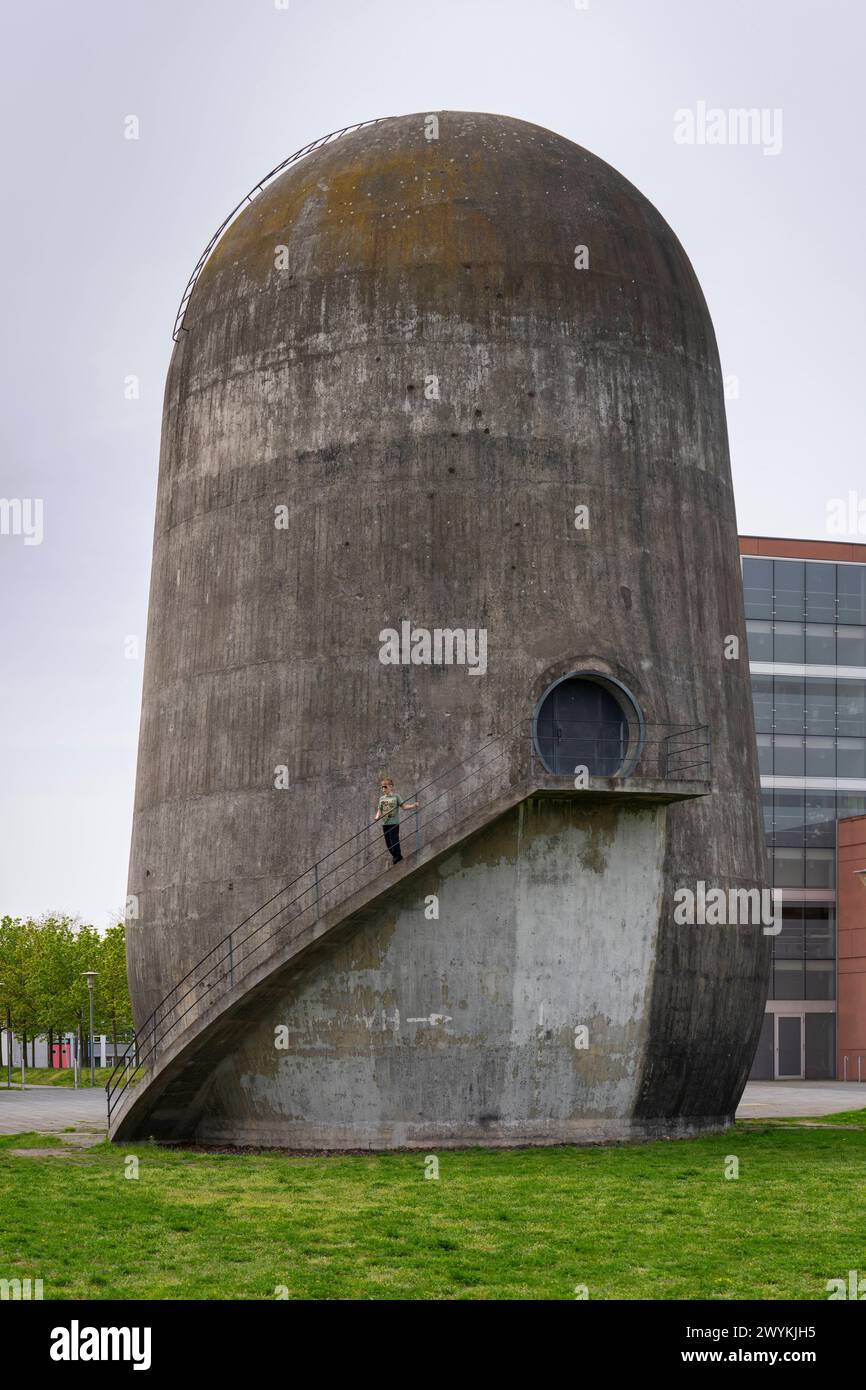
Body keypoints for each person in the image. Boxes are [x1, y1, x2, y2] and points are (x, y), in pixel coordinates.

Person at [374, 777, 418, 864]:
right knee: (388, 844)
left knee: (394, 841)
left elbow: (404, 807)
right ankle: (396, 856)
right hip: (385, 823)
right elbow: (379, 810)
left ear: (391, 787)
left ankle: (397, 857)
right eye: (382, 787)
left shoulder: (396, 796)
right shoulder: (381, 799)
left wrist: (413, 805)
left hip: (394, 823)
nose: (383, 789)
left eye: (385, 787)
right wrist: (376, 817)